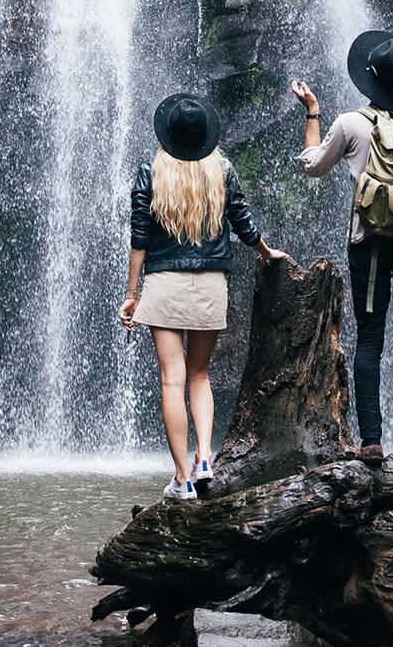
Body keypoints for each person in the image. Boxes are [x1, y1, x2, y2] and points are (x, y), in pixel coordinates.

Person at [291, 30, 393, 467]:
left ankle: (372, 442)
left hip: (371, 244)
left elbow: (312, 167)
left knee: (370, 339)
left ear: (371, 81)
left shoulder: (350, 124)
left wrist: (313, 113)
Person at [122, 92, 289, 500]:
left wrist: (131, 294)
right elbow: (244, 223)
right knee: (199, 376)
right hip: (211, 283)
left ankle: (181, 480)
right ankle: (203, 460)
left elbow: (139, 240)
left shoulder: (152, 172)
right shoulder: (222, 171)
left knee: (171, 379)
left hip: (163, 285)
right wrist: (267, 253)